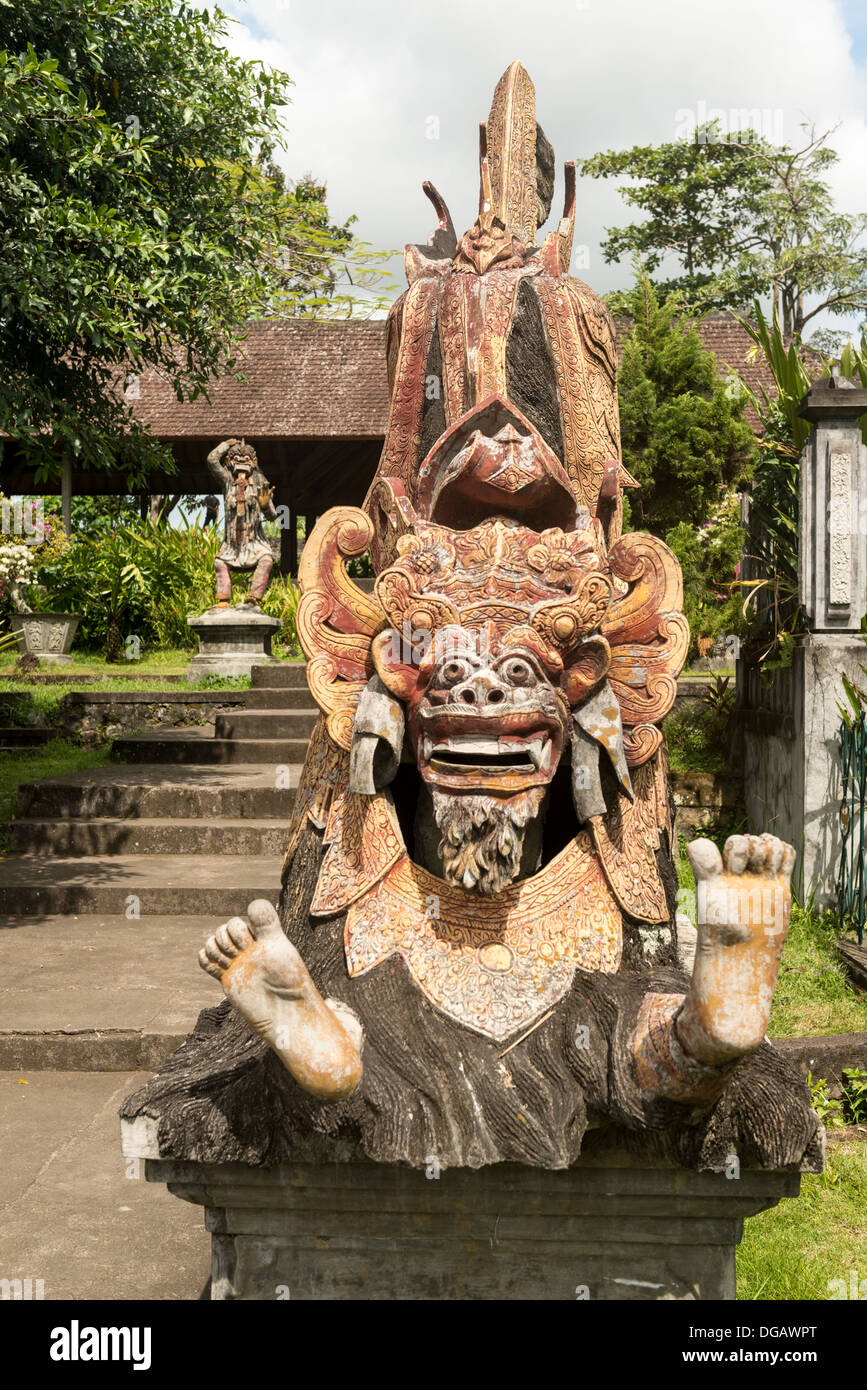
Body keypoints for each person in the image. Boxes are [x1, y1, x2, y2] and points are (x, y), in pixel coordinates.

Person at [205, 438, 277, 608]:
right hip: (232, 544)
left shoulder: (260, 483)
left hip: (254, 542)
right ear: (229, 462)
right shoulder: (227, 481)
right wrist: (226, 445)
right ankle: (223, 600)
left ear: (254, 462)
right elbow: (211, 460)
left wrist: (265, 505)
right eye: (237, 459)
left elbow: (273, 516)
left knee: (266, 559)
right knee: (220, 562)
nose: (242, 463)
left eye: (247, 460)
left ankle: (254, 597)